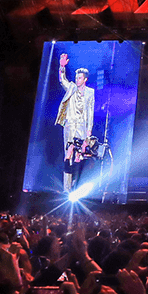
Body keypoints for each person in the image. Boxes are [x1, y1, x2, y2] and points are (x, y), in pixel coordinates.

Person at [54, 53, 94, 194]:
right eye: (76, 77)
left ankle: (76, 187)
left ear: (85, 79)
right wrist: (62, 67)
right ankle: (66, 189)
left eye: (79, 78)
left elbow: (90, 111)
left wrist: (89, 130)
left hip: (82, 127)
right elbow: (62, 80)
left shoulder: (90, 92)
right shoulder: (70, 87)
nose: (77, 80)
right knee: (68, 154)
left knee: (80, 156)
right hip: (70, 125)